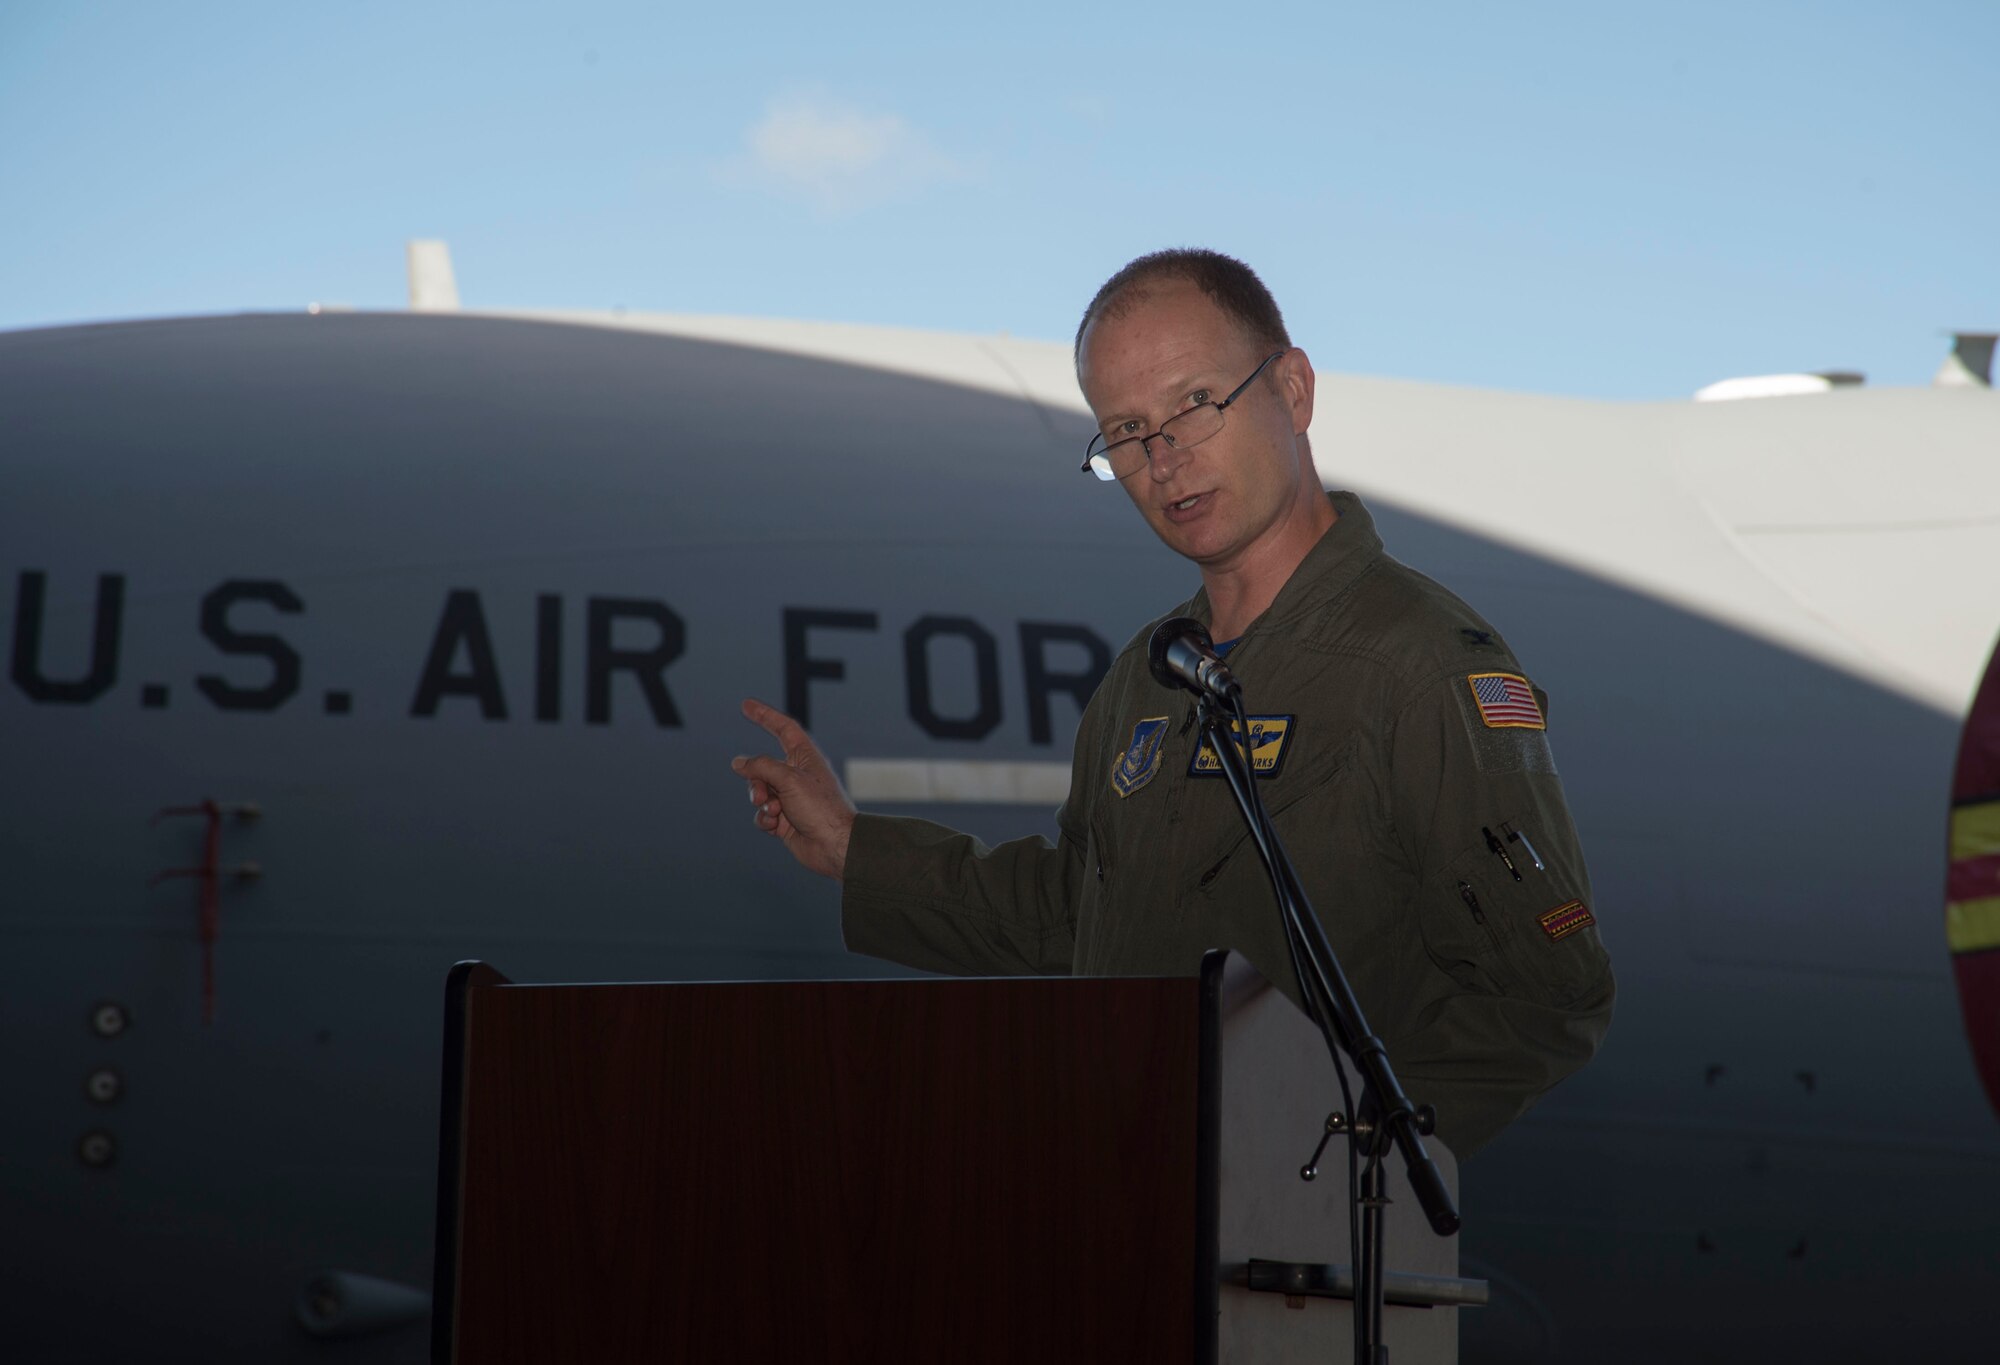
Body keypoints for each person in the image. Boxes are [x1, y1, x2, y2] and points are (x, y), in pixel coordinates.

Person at [731, 249, 1613, 1157]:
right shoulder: (1147, 681)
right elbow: (1071, 917)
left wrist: (1329, 1152)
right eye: (1125, 430)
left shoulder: (1418, 663)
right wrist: (854, 850)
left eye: (1196, 403)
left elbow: (1548, 998)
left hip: (1298, 1266)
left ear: (1295, 391)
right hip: (1130, 1215)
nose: (1163, 458)